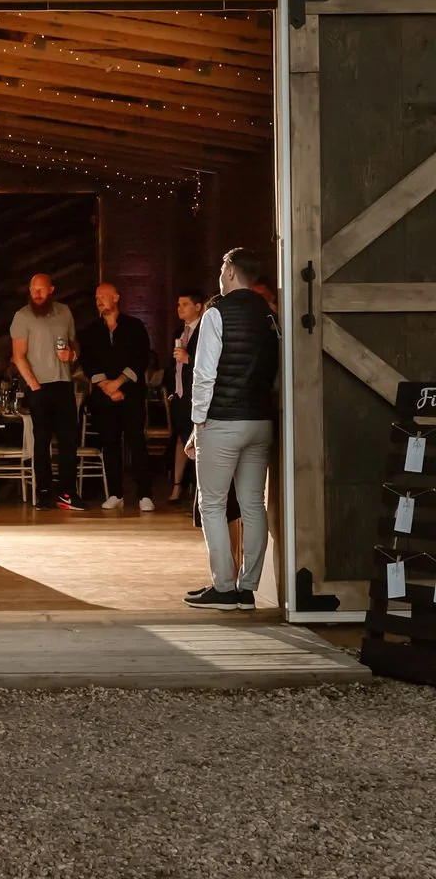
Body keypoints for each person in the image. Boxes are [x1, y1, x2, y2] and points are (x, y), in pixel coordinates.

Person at [183, 248, 280, 611]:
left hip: (222, 422)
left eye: (222, 266)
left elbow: (203, 374)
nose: (220, 273)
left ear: (230, 271)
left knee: (213, 504)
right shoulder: (269, 315)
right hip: (260, 421)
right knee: (254, 504)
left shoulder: (216, 314)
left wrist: (197, 423)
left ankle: (224, 586)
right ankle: (248, 588)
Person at [11, 272, 84, 511]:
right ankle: (44, 493)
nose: (37, 294)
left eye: (42, 289)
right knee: (41, 441)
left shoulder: (64, 312)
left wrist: (72, 355)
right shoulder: (22, 316)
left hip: (63, 382)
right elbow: (18, 356)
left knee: (68, 440)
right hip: (38, 385)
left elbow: (74, 344)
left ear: (51, 290)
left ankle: (67, 493)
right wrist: (34, 385)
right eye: (33, 290)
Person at [78, 282, 154, 512]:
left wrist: (119, 383)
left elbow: (141, 358)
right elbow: (88, 362)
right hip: (104, 396)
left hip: (130, 393)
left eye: (104, 296)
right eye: (97, 297)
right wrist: (105, 386)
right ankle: (115, 493)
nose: (100, 300)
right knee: (109, 443)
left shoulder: (134, 326)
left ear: (116, 297)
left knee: (136, 442)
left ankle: (145, 495)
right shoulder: (91, 330)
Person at [168, 290, 205, 502]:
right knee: (181, 440)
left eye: (185, 304)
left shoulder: (205, 330)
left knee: (197, 441)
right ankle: (176, 487)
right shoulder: (178, 331)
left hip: (197, 395)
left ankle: (198, 490)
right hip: (180, 396)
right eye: (178, 304)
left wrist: (188, 358)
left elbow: (209, 362)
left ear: (198, 306)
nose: (179, 308)